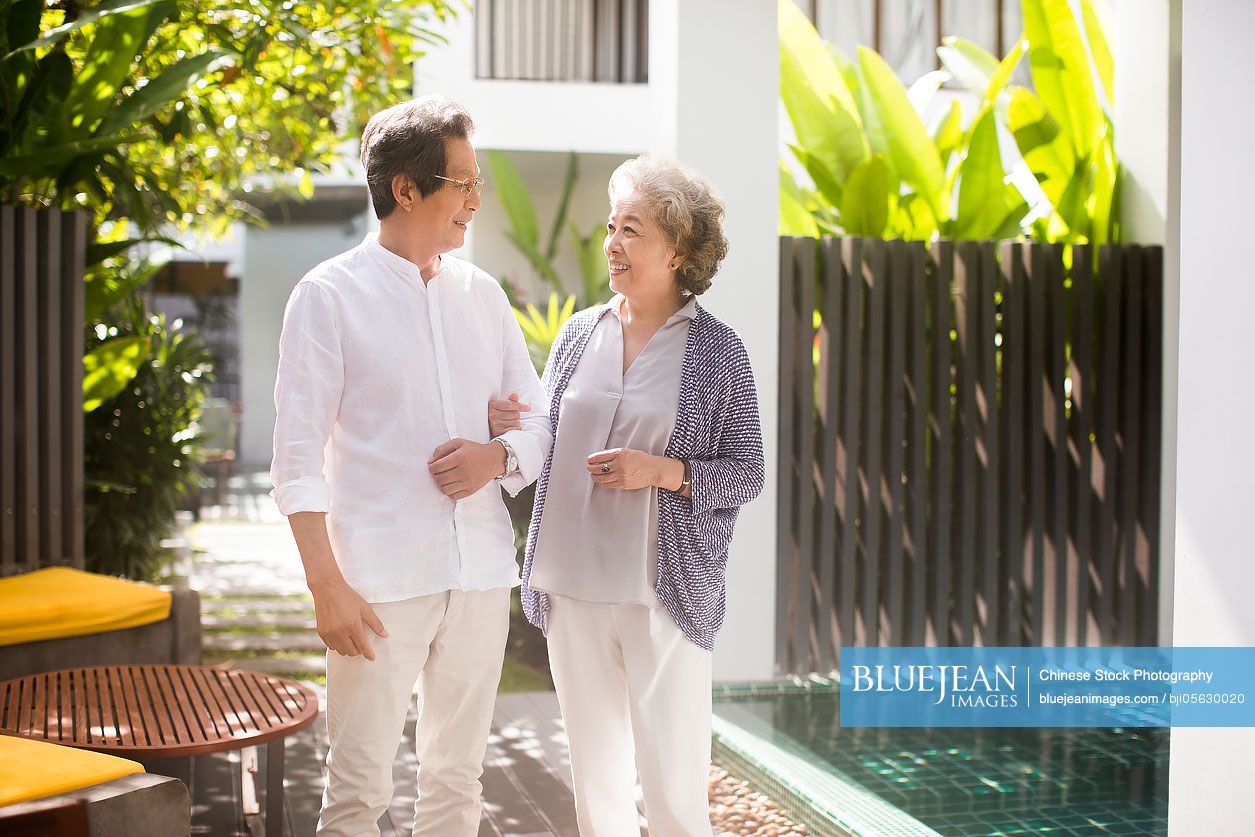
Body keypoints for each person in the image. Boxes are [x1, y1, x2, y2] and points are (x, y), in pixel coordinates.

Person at [270, 95, 551, 837]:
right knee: (358, 790)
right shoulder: (327, 297)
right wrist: (326, 586)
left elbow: (540, 418)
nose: (476, 200)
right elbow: (296, 458)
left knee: (457, 780)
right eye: (463, 183)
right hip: (378, 585)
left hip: (479, 573)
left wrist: (497, 456)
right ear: (405, 188)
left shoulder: (482, 296)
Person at [490, 155, 765, 835]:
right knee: (596, 786)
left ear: (677, 251)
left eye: (631, 229)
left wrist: (662, 471)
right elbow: (546, 430)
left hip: (661, 594)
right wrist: (508, 425)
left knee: (673, 788)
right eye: (612, 226)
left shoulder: (718, 351)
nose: (612, 242)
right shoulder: (578, 333)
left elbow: (747, 471)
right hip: (571, 586)